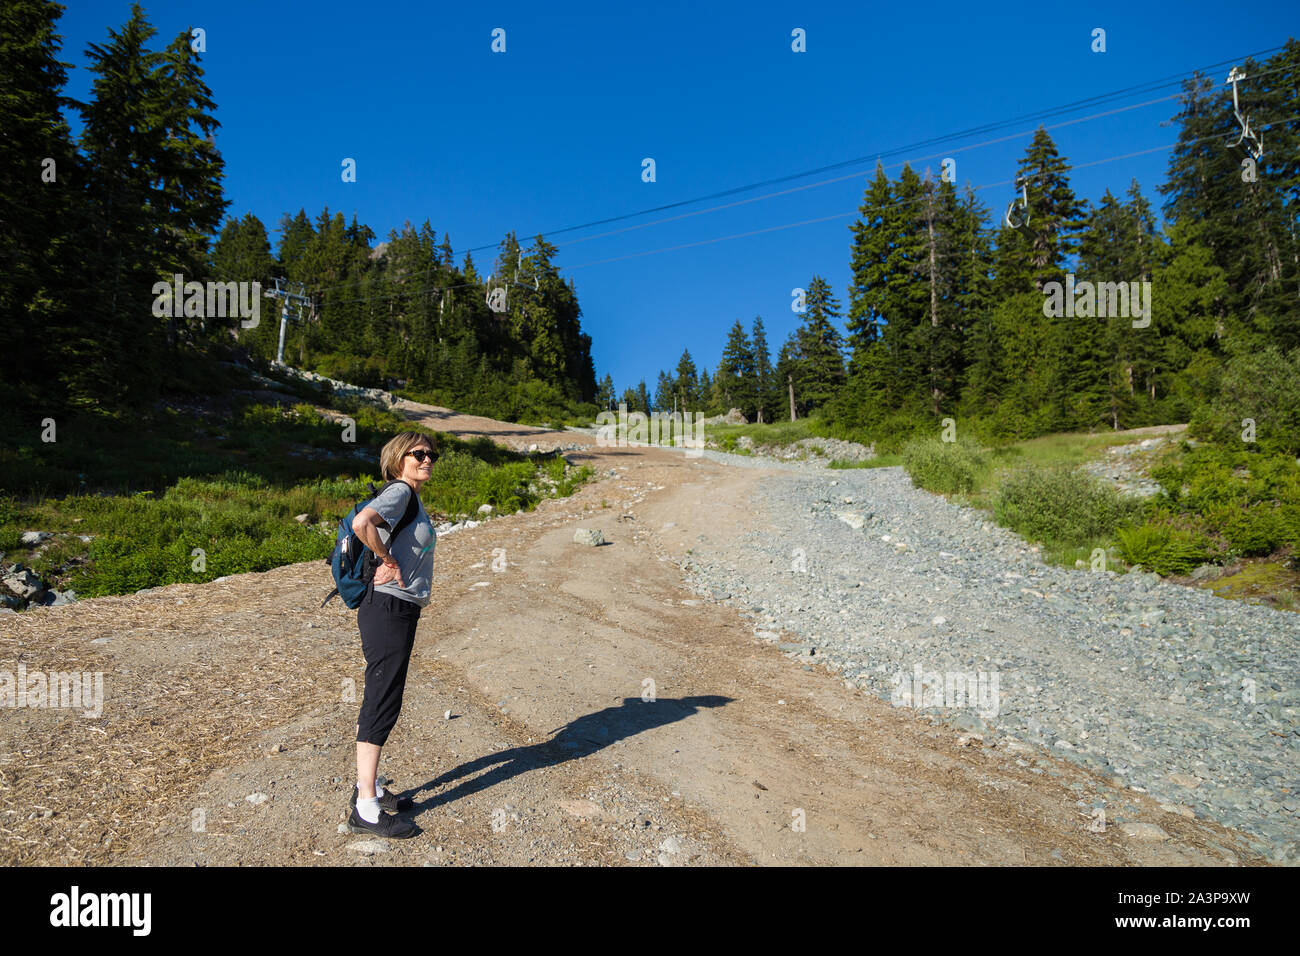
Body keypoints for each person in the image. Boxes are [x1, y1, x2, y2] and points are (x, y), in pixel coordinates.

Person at [345, 430, 438, 838]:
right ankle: (365, 807)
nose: (428, 459)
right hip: (387, 606)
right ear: (399, 458)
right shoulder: (400, 491)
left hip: (395, 608)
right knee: (383, 698)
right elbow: (362, 521)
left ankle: (370, 789)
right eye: (419, 453)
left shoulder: (408, 497)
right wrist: (386, 559)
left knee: (385, 693)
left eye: (433, 454)